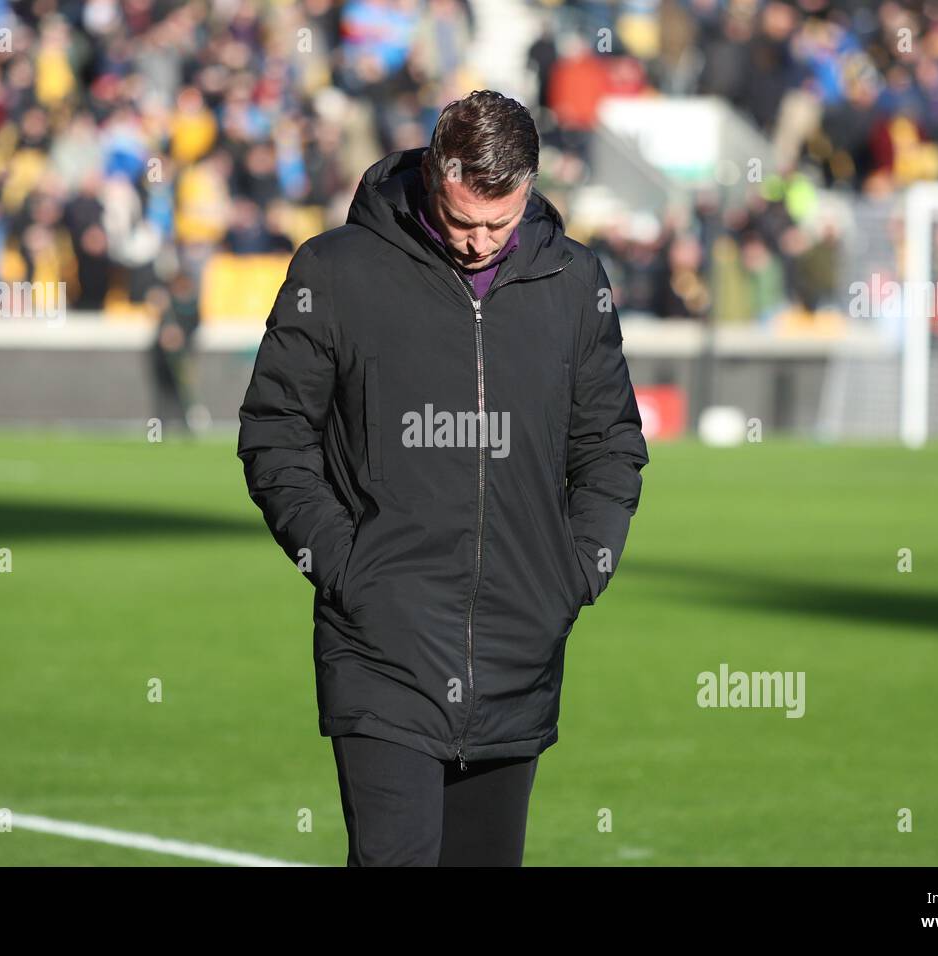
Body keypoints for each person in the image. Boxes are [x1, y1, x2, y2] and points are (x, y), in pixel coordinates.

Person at [237, 91, 648, 866]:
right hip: (380, 648)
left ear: (527, 187)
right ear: (434, 174)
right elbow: (275, 433)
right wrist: (347, 565)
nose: (479, 241)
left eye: (500, 221)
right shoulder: (335, 270)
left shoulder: (574, 280)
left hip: (520, 648)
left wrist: (577, 572)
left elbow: (609, 444)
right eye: (463, 220)